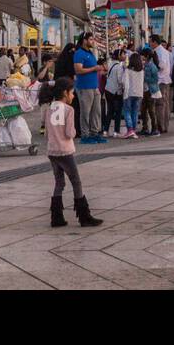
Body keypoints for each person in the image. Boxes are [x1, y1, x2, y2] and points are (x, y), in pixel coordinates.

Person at [42, 77, 102, 228]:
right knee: (76, 182)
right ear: (65, 93)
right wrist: (75, 131)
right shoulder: (69, 110)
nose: (73, 95)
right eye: (72, 93)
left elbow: (46, 134)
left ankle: (56, 216)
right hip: (65, 151)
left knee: (59, 182)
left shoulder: (49, 109)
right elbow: (70, 133)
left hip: (52, 150)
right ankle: (84, 216)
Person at [73, 32, 106, 143]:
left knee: (96, 111)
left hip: (94, 86)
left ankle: (94, 133)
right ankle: (85, 135)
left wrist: (100, 69)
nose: (93, 41)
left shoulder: (90, 53)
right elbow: (78, 70)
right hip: (84, 87)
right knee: (85, 112)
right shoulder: (79, 53)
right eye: (91, 39)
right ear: (84, 40)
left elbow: (93, 68)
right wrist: (94, 68)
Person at [151, 35, 172, 132]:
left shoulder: (160, 52)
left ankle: (161, 126)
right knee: (164, 103)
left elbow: (162, 65)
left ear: (154, 42)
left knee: (160, 104)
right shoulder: (164, 52)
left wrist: (155, 65)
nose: (150, 44)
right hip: (164, 79)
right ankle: (163, 125)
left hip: (161, 80)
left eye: (151, 42)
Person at [102, 48, 126, 137]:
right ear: (119, 56)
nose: (125, 56)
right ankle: (116, 131)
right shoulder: (119, 67)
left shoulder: (111, 64)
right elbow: (120, 80)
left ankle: (105, 131)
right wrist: (124, 87)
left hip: (108, 90)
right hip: (116, 91)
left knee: (110, 111)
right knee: (118, 112)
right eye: (123, 54)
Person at [121, 50, 144, 139]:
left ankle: (130, 129)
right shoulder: (142, 71)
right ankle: (133, 130)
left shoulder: (128, 70)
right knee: (135, 112)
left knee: (127, 111)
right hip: (139, 93)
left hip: (129, 93)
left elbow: (124, 81)